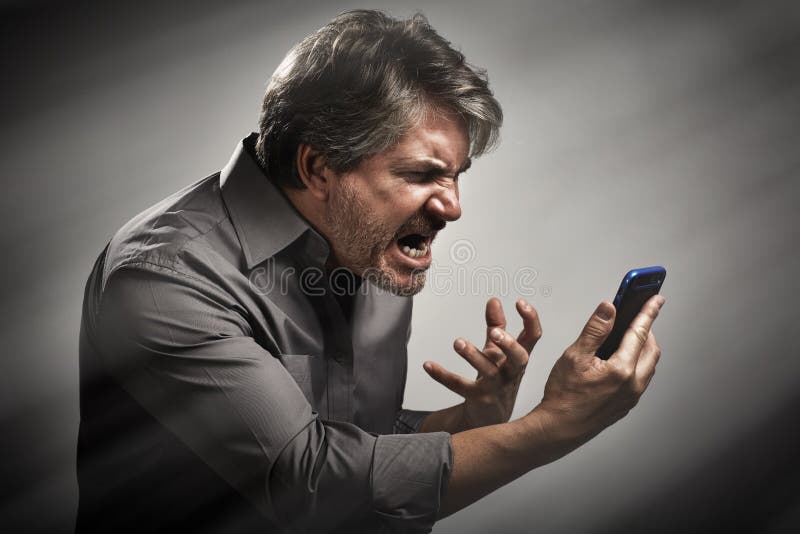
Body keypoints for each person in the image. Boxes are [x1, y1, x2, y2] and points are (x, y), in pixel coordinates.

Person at [76, 9, 664, 534]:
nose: (453, 207)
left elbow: (348, 437)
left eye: (457, 175)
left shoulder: (365, 239)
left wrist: (468, 421)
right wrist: (554, 426)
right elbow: (313, 484)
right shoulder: (162, 278)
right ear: (319, 168)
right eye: (421, 174)